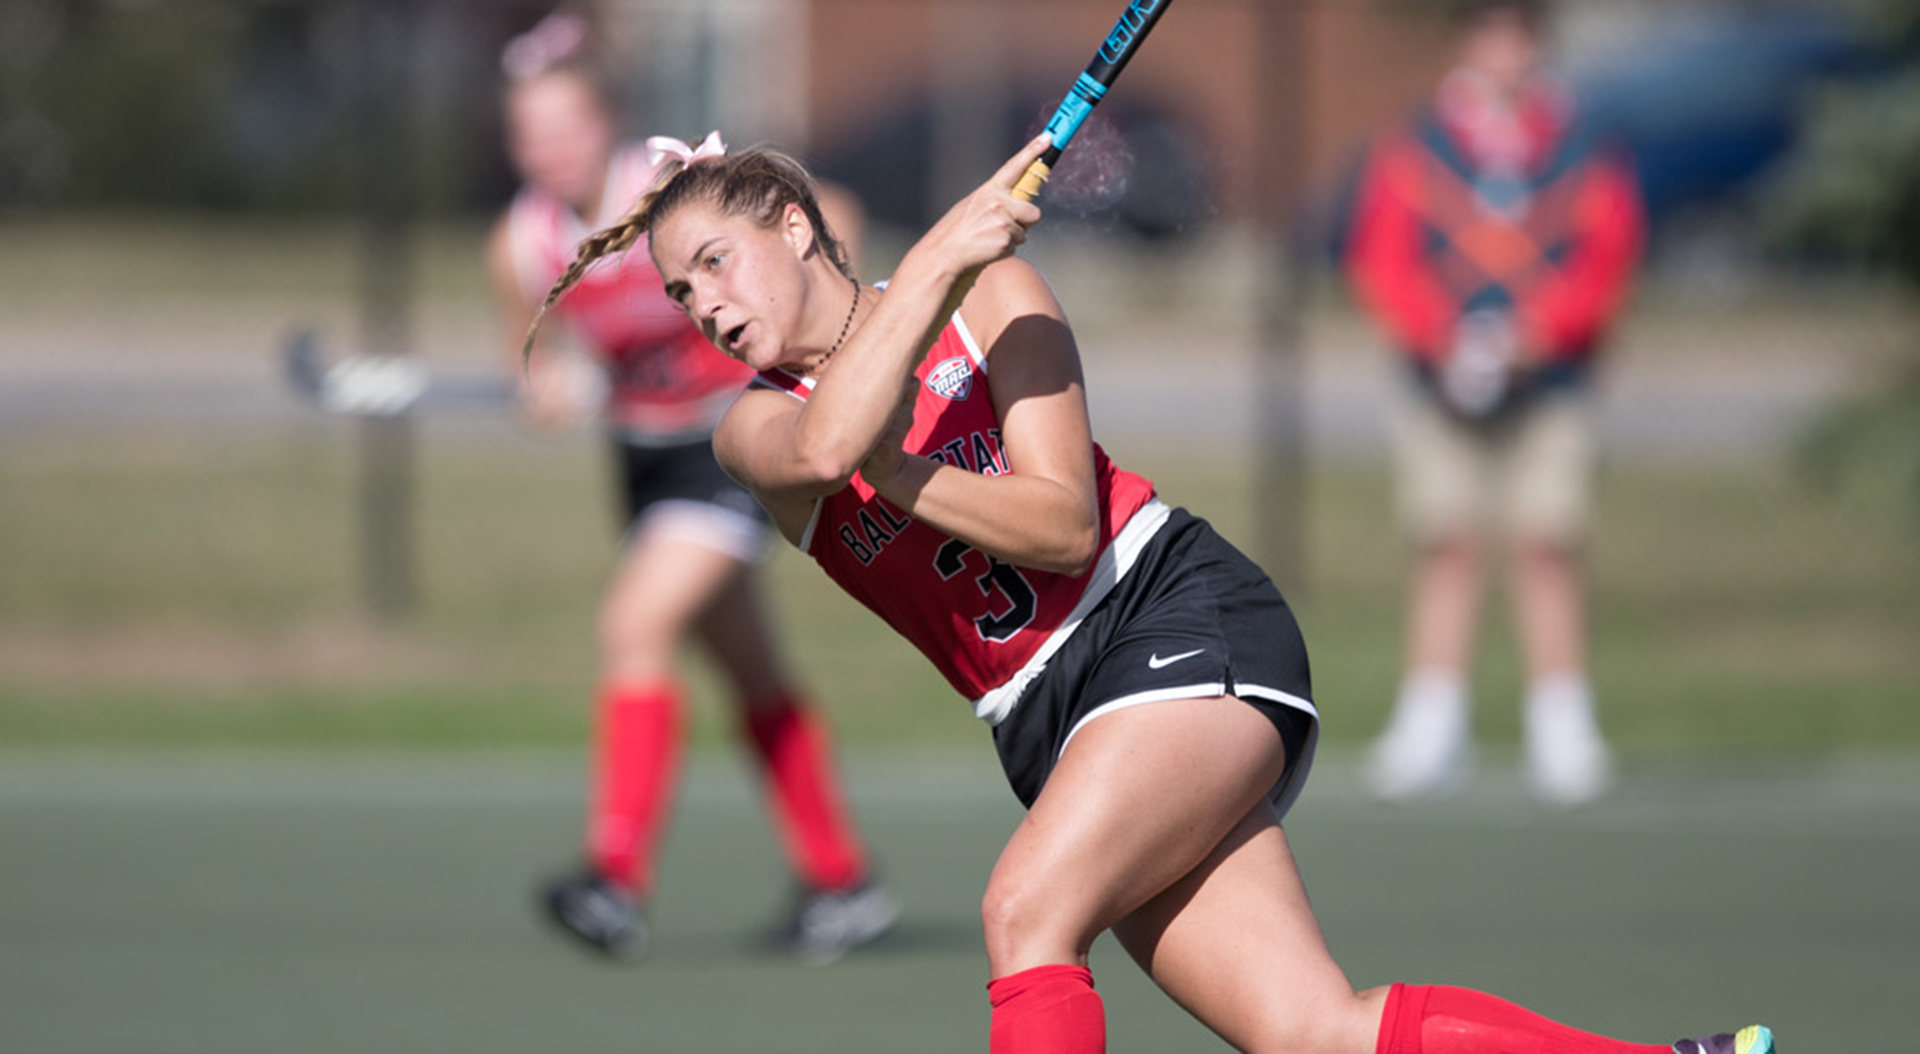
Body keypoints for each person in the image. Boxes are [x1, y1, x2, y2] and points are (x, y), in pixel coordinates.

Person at [527, 127, 1769, 1054]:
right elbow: (823, 451)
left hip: (1173, 621)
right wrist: (930, 270)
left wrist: (945, 300)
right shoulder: (756, 433)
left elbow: (1064, 525)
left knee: (1024, 910)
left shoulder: (993, 297)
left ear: (794, 225)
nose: (707, 308)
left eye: (718, 263)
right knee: (1315, 1033)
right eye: (684, 294)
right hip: (1052, 718)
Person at [487, 12, 894, 964]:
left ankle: (614, 881)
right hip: (643, 467)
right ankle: (843, 883)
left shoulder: (666, 194)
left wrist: (816, 347)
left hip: (732, 448)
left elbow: (833, 214)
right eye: (527, 134)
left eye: (565, 127)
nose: (548, 150)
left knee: (635, 628)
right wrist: (547, 389)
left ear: (607, 121)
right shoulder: (521, 241)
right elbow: (532, 364)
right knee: (748, 671)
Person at [1340, 0, 1645, 804]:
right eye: (1488, 31)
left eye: (1519, 33)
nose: (1504, 49)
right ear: (1465, 41)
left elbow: (1607, 254)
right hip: (1438, 384)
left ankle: (1562, 724)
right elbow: (1382, 258)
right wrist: (1445, 339)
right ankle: (1433, 723)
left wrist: (1538, 335)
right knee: (1449, 540)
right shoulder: (1415, 144)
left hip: (1551, 384)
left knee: (1548, 541)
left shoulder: (1582, 144)